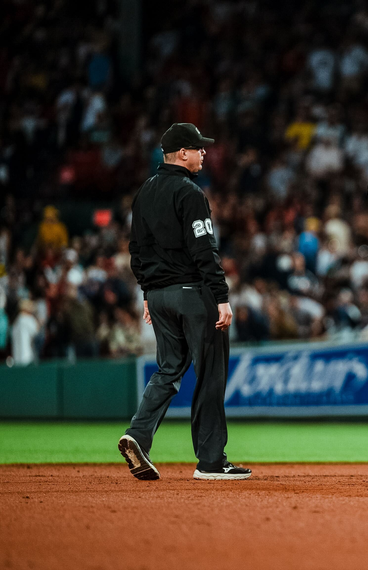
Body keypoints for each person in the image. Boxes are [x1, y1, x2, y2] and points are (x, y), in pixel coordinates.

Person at [119, 123, 250, 481]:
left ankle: (138, 434)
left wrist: (148, 292)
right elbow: (204, 249)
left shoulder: (144, 192)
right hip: (193, 294)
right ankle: (210, 462)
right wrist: (221, 297)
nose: (204, 152)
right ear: (182, 154)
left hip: (158, 296)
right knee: (210, 374)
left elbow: (135, 250)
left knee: (168, 369)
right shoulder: (190, 192)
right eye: (198, 148)